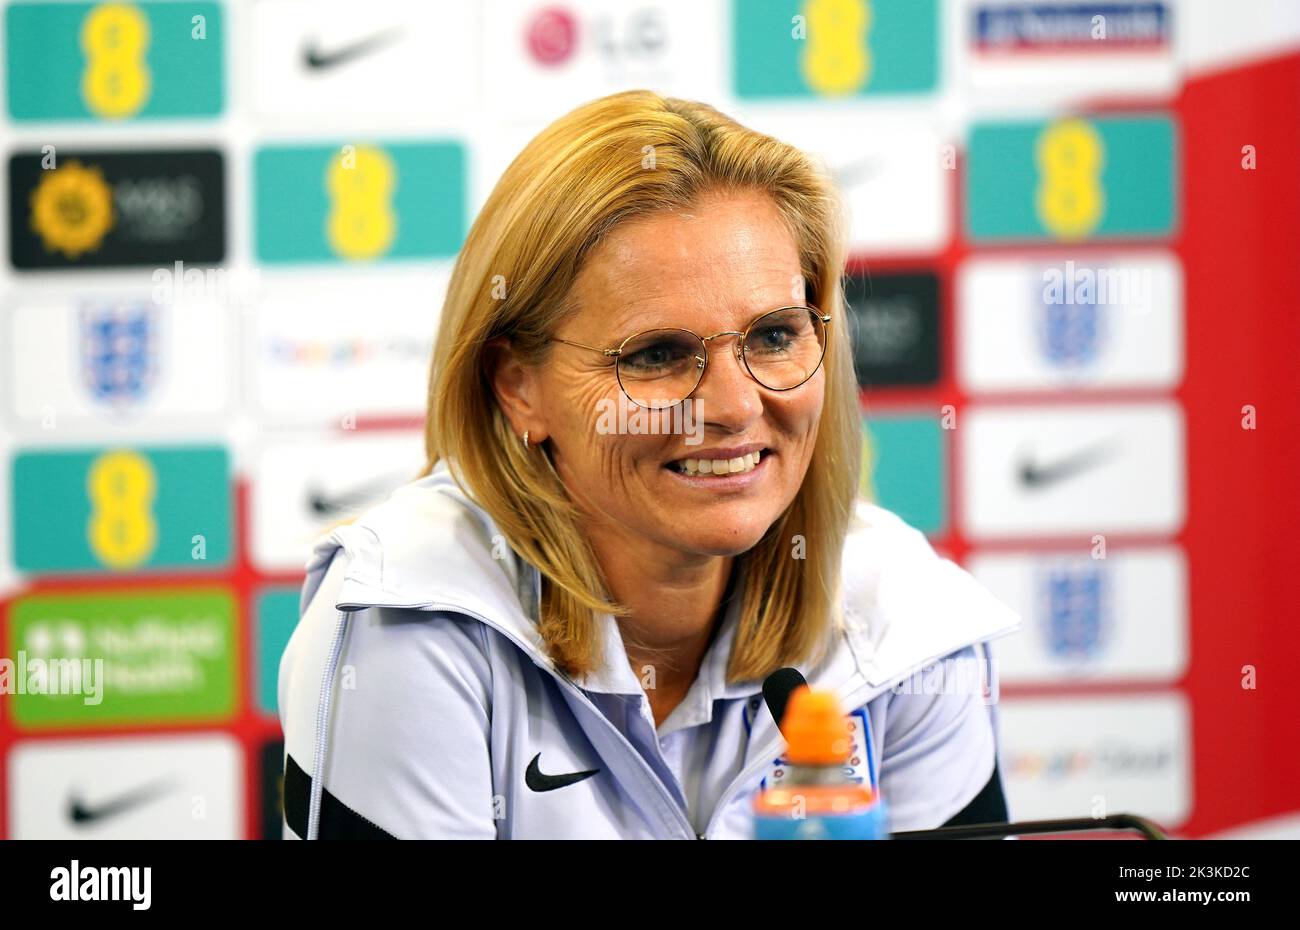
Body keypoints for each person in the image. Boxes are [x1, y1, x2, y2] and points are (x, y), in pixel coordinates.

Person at [278, 90, 1020, 839]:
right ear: (518, 387)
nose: (733, 405)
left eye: (772, 336)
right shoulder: (409, 623)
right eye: (658, 354)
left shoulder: (907, 617)